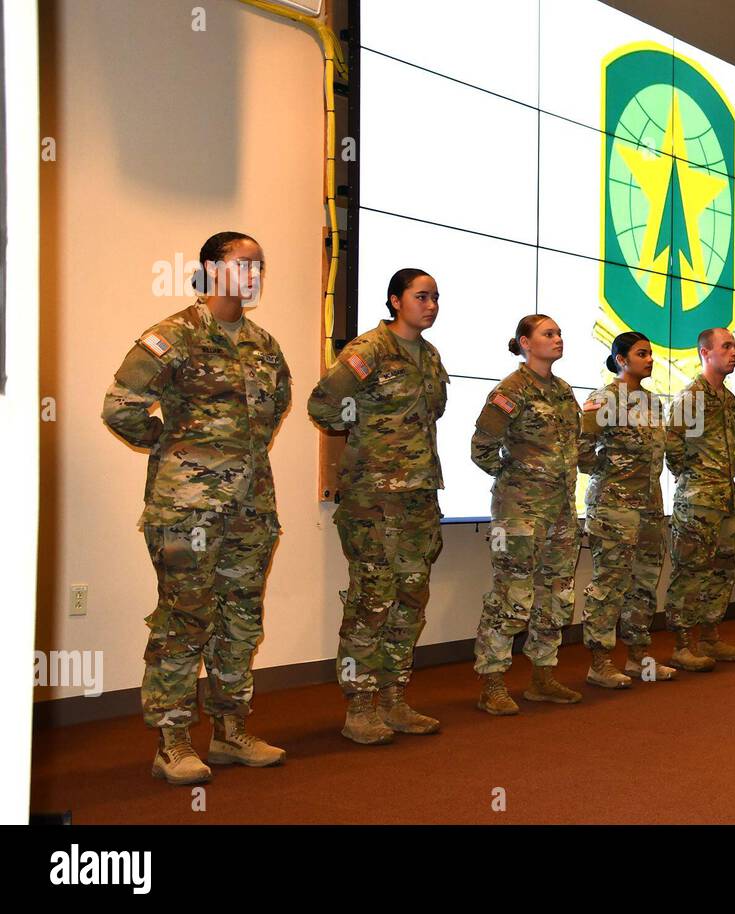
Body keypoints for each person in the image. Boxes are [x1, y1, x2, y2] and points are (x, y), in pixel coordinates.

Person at [102, 231, 289, 785]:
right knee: (184, 619)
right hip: (187, 510)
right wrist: (177, 447)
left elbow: (273, 410)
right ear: (211, 268)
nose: (254, 272)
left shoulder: (264, 343)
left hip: (251, 507)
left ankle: (231, 732)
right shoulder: (173, 336)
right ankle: (173, 741)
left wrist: (233, 456)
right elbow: (121, 408)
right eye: (243, 263)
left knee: (240, 619)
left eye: (261, 264)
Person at [308, 268, 448, 744]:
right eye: (421, 296)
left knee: (411, 598)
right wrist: (370, 441)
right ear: (394, 301)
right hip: (373, 500)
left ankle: (394, 699)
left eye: (435, 298)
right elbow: (323, 406)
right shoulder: (368, 351)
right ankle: (360, 706)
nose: (430, 305)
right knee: (372, 600)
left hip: (419, 497)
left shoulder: (429, 356)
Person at [470, 315, 584, 714]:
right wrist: (515, 481)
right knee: (512, 595)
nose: (557, 339)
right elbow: (482, 446)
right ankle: (493, 682)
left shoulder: (564, 392)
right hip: (520, 513)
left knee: (556, 594)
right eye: (548, 334)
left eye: (559, 334)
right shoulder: (511, 390)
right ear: (525, 343)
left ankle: (542, 677)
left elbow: (575, 446)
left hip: (561, 513)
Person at [578, 331, 675, 686]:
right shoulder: (603, 399)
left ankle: (637, 656)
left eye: (650, 353)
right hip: (613, 506)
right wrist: (607, 473)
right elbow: (582, 449)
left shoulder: (653, 402)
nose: (649, 359)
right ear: (621, 360)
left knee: (645, 582)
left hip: (650, 505)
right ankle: (600, 662)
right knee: (610, 583)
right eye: (641, 353)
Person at [663, 327, 735, 671]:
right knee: (690, 571)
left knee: (721, 570)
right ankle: (682, 645)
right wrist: (693, 479)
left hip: (725, 499)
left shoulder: (728, 400)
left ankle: (711, 638)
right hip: (698, 501)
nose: (734, 352)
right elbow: (673, 444)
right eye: (727, 346)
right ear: (705, 352)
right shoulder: (692, 397)